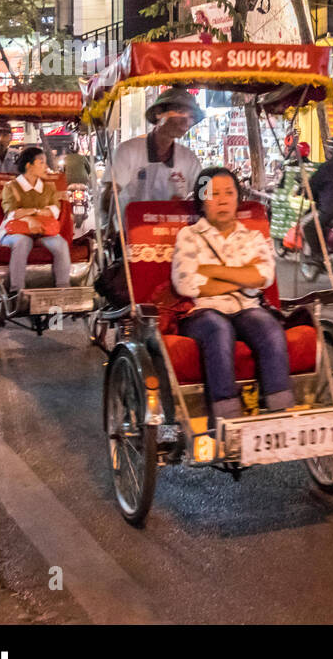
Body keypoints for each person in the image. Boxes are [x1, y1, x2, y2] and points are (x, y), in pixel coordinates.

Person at [172, 166, 291, 425]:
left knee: (269, 327)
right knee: (219, 329)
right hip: (203, 312)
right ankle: (227, 418)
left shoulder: (253, 236)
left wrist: (213, 271)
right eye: (214, 194)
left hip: (247, 309)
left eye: (229, 192)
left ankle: (280, 413)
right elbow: (187, 283)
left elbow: (263, 276)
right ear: (202, 202)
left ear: (238, 198)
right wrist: (240, 279)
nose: (223, 199)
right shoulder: (189, 236)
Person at [102, 86, 203, 217]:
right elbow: (108, 199)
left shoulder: (189, 159)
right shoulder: (127, 151)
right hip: (131, 233)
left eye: (191, 116)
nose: (186, 121)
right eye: (180, 112)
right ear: (158, 114)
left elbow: (206, 194)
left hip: (175, 233)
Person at [0, 146, 70, 300]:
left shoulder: (48, 188)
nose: (46, 166)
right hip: (14, 231)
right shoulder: (11, 187)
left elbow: (54, 211)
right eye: (41, 162)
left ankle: (63, 290)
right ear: (29, 166)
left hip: (43, 230)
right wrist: (35, 215)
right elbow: (13, 213)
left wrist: (30, 212)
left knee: (61, 244)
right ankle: (17, 291)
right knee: (22, 242)